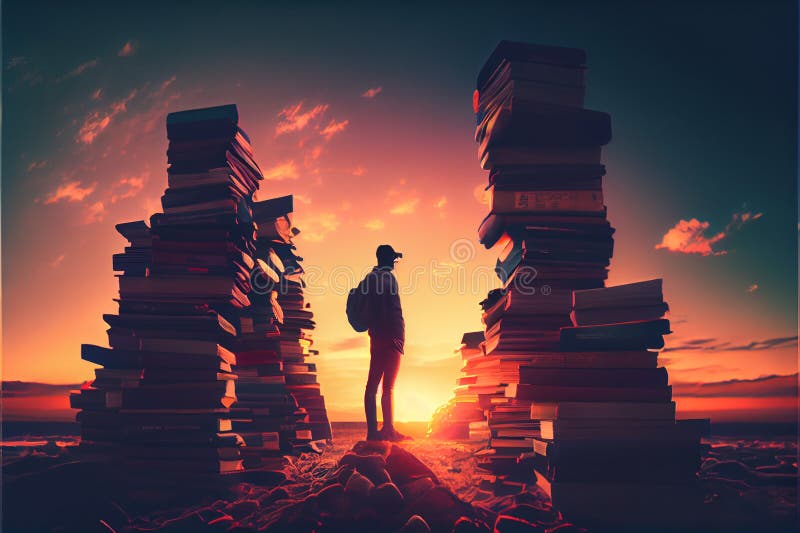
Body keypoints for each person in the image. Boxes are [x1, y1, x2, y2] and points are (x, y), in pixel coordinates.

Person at [363, 244, 411, 441]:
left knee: (373, 385)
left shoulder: (371, 278)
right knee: (386, 386)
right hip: (391, 336)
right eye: (393, 260)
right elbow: (386, 310)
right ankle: (386, 430)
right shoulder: (387, 278)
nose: (394, 263)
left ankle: (374, 431)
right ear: (388, 260)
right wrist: (392, 336)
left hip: (379, 336)